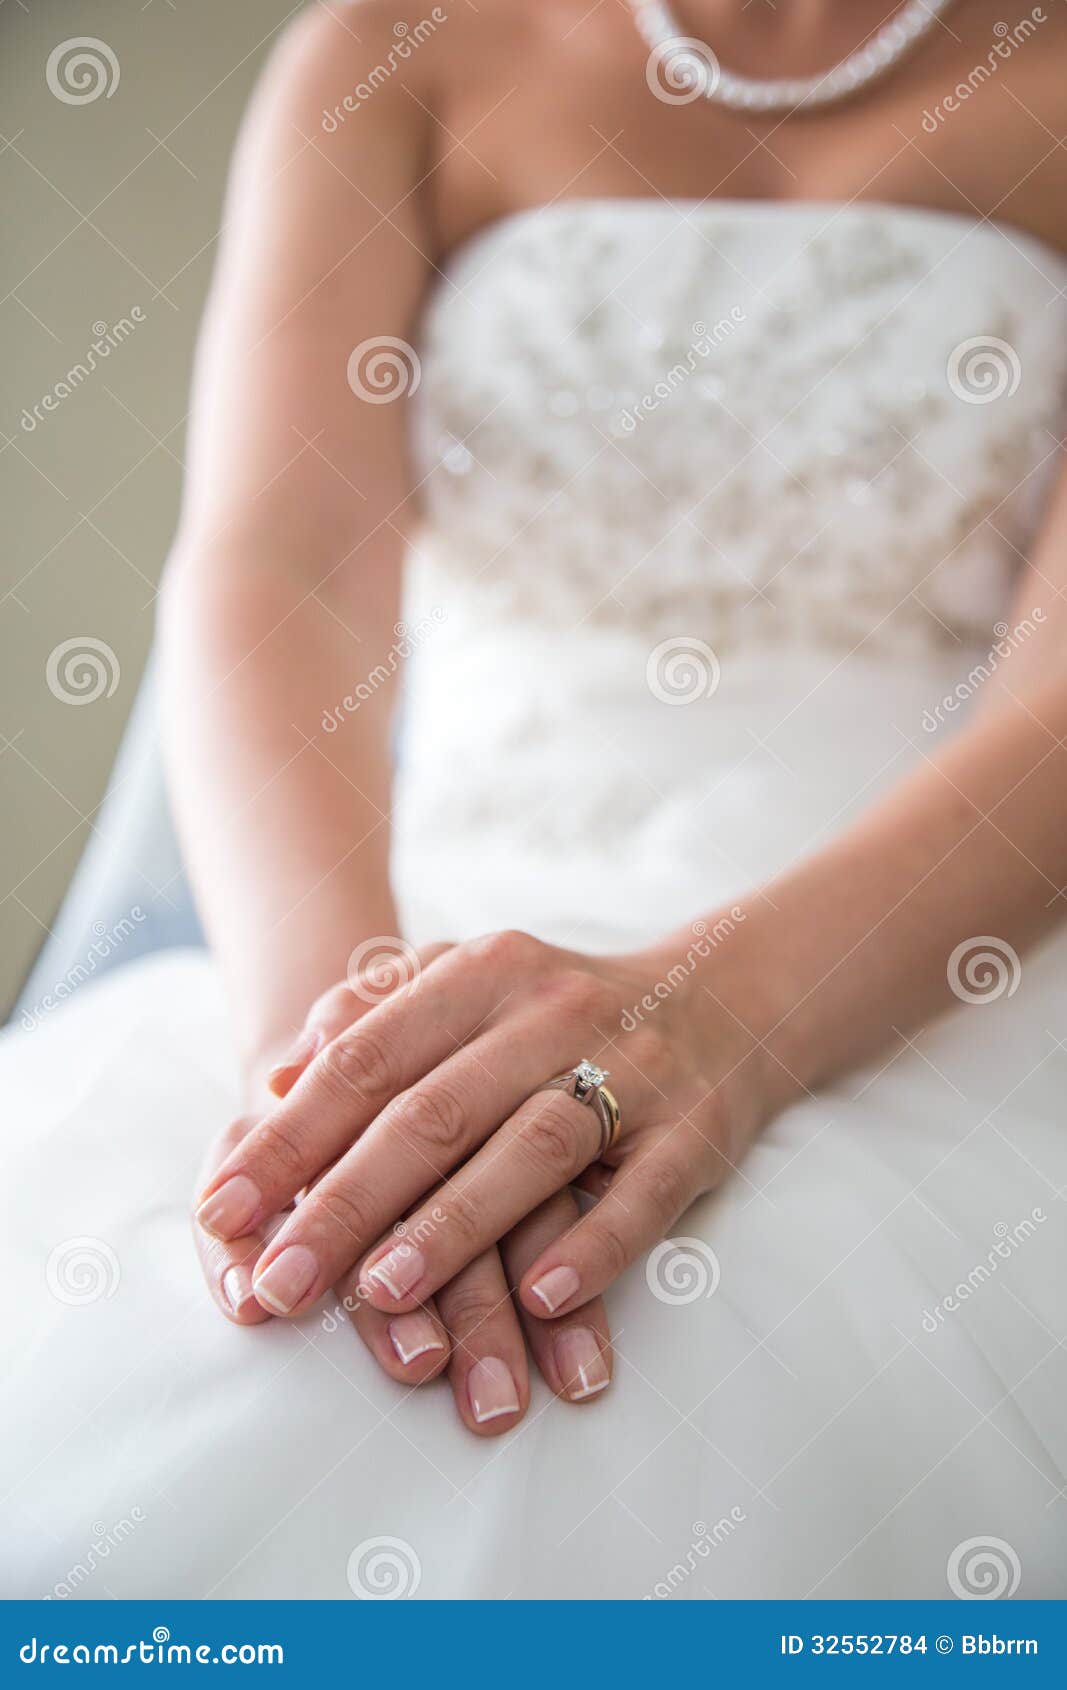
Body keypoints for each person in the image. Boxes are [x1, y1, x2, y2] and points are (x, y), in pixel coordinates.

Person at [5, 0, 1067, 1599]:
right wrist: (346, 1060)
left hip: (918, 962)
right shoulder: (399, 48)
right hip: (398, 925)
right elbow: (278, 570)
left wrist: (717, 1027)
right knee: (208, 1375)